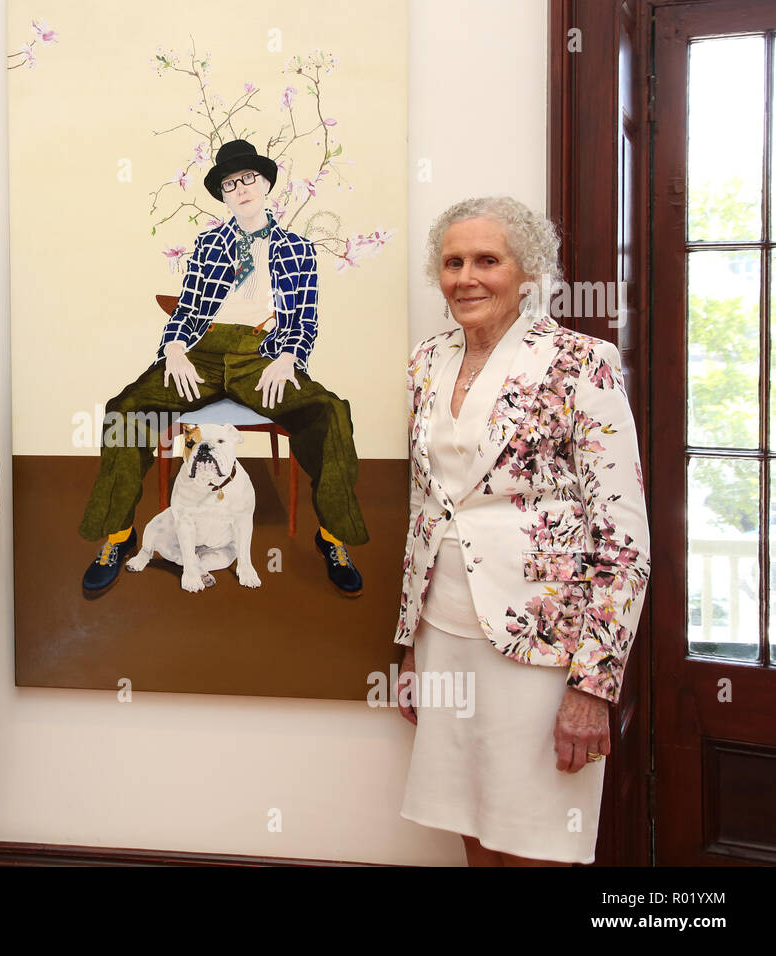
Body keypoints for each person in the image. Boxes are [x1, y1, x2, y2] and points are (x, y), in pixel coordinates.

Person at [394, 196, 650, 865]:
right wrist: (406, 645)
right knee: (471, 827)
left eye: (487, 260)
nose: (465, 277)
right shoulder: (425, 362)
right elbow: (427, 507)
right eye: (452, 262)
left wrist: (593, 684)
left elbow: (622, 536)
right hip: (443, 633)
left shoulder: (580, 361)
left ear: (527, 271)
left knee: (534, 837)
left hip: (541, 647)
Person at [78, 139, 368, 596]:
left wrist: (288, 356)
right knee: (127, 408)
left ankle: (331, 537)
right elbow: (189, 308)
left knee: (330, 412)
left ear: (266, 183)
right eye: (230, 183)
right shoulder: (209, 243)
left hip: (263, 354)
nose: (241, 188)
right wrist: (173, 347)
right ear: (224, 194)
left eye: (248, 178)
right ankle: (118, 535)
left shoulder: (298, 250)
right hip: (204, 352)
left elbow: (304, 318)